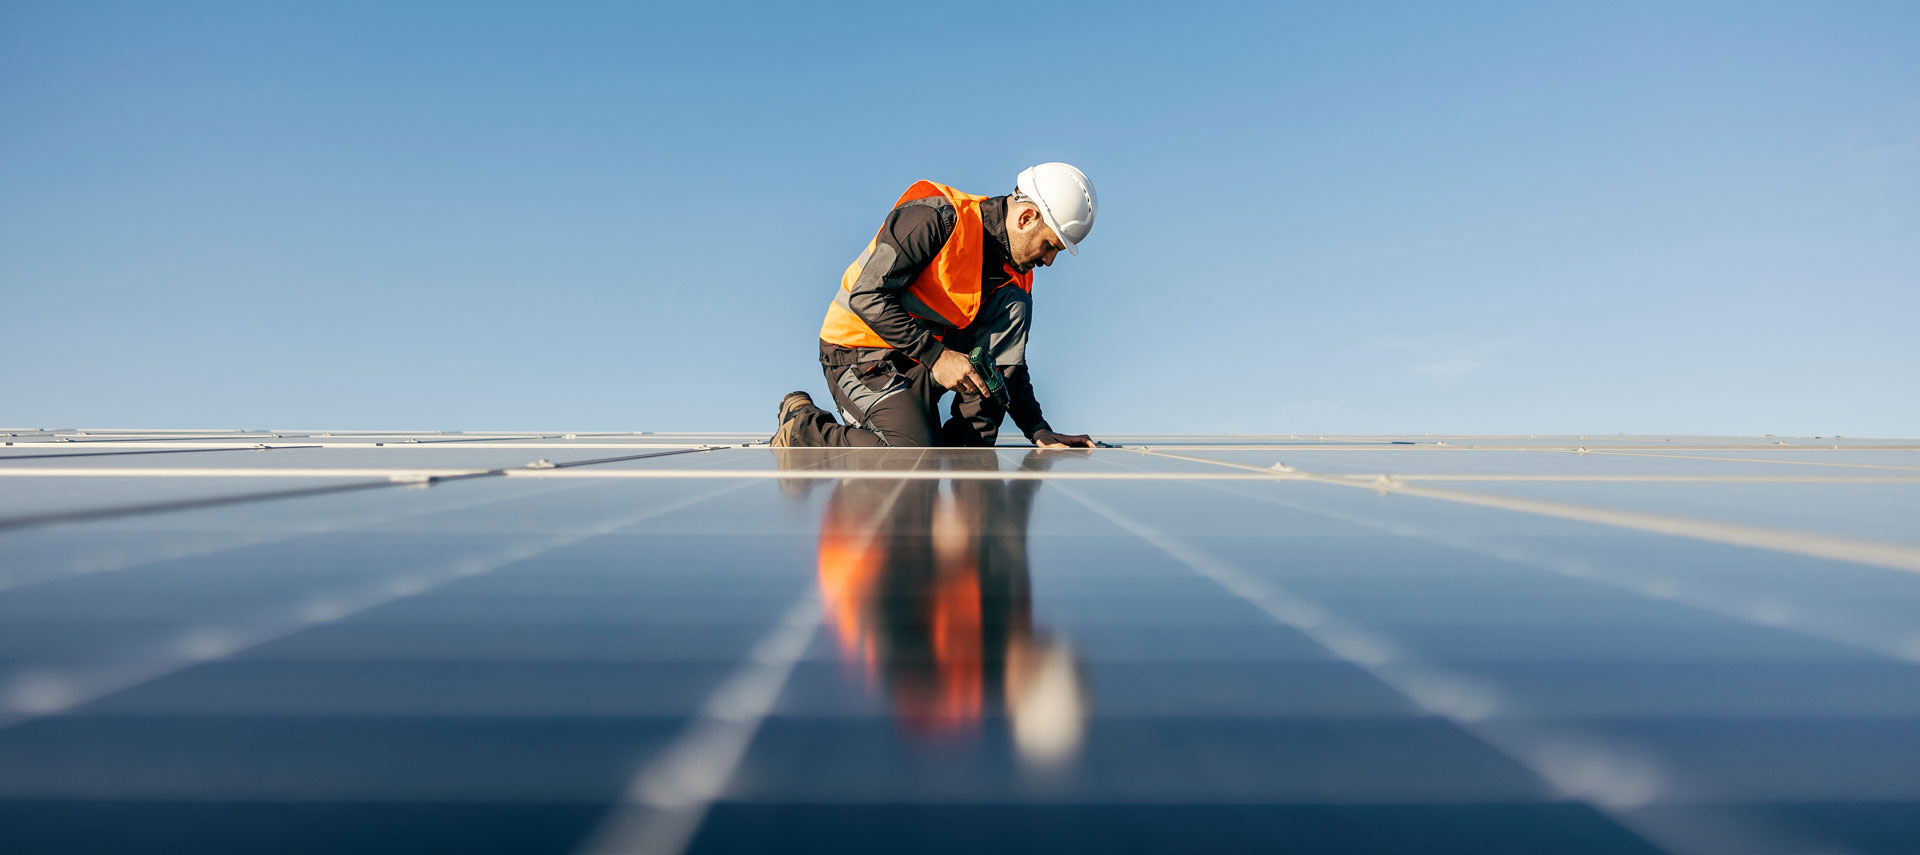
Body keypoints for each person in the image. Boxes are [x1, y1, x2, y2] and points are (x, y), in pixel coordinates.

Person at [771, 163, 1100, 448]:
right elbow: (866, 296)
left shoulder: (1017, 273)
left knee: (961, 451)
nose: (1049, 260)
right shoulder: (936, 218)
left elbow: (1009, 362)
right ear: (1027, 217)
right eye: (1050, 246)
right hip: (859, 352)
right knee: (909, 454)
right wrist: (937, 357)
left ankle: (958, 445)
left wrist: (1037, 428)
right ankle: (802, 427)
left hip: (923, 357)